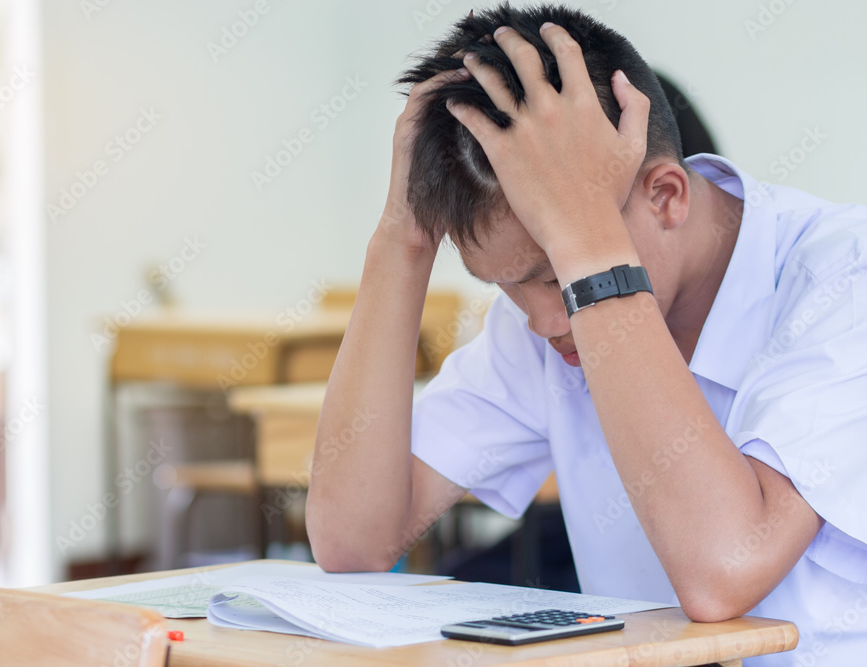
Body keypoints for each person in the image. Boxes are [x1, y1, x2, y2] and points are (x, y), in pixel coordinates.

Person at [305, 3, 867, 664]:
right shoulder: (543, 323)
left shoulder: (844, 277)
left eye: (551, 277)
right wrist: (401, 240)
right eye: (509, 286)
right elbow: (353, 542)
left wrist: (586, 248)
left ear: (666, 196)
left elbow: (724, 569)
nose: (544, 322)